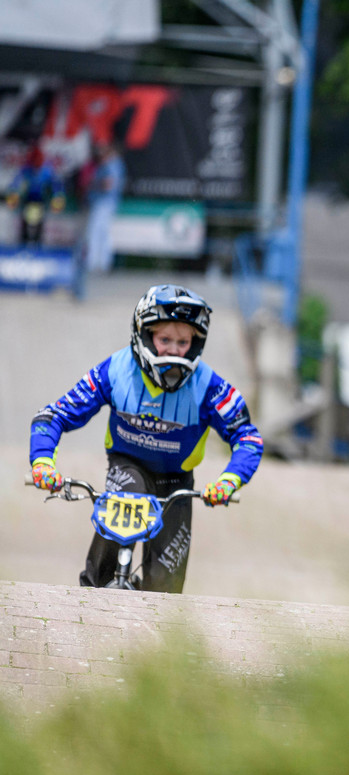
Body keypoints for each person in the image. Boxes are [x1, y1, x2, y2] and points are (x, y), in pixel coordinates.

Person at [29, 285, 264, 593]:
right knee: (128, 496)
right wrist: (43, 463)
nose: (174, 350)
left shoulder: (211, 387)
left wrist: (229, 480)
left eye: (183, 341)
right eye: (165, 339)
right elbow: (52, 416)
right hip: (128, 466)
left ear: (197, 342)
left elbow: (248, 437)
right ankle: (91, 592)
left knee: (166, 590)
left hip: (177, 481)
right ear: (143, 334)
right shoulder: (114, 371)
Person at [6, 144, 66, 247]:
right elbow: (15, 183)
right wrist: (12, 198)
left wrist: (58, 199)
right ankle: (23, 242)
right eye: (35, 166)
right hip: (28, 198)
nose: (37, 169)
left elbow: (57, 185)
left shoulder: (48, 170)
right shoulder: (26, 169)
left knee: (40, 223)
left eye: (39, 166)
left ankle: (38, 243)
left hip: (40, 199)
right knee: (24, 221)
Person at [85, 140, 125, 272]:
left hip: (104, 202)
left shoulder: (111, 164)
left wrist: (93, 185)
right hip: (105, 202)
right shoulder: (113, 164)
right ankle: (101, 262)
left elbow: (108, 184)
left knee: (96, 232)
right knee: (102, 233)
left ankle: (94, 262)